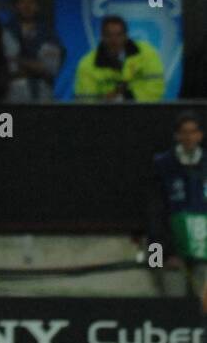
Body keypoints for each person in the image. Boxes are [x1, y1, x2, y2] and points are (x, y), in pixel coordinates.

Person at [149, 112, 207, 301]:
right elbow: (155, 215)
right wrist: (157, 258)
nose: (189, 137)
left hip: (203, 252)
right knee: (172, 305)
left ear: (201, 135)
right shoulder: (163, 165)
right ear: (177, 136)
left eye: (193, 132)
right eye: (184, 132)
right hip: (172, 253)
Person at [73, 15, 165, 101]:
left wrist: (126, 97)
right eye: (108, 35)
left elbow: (156, 89)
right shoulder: (87, 64)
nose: (114, 40)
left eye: (118, 35)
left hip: (142, 112)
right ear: (101, 37)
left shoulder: (147, 53)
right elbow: (84, 101)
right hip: (102, 115)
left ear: (126, 36)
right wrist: (103, 101)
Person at [2, 0, 63, 101]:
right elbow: (6, 69)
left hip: (43, 97)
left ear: (37, 5)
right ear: (16, 5)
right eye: (22, 1)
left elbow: (50, 68)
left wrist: (18, 61)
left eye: (31, 1)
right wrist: (35, 66)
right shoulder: (5, 33)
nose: (27, 5)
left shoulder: (48, 34)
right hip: (13, 99)